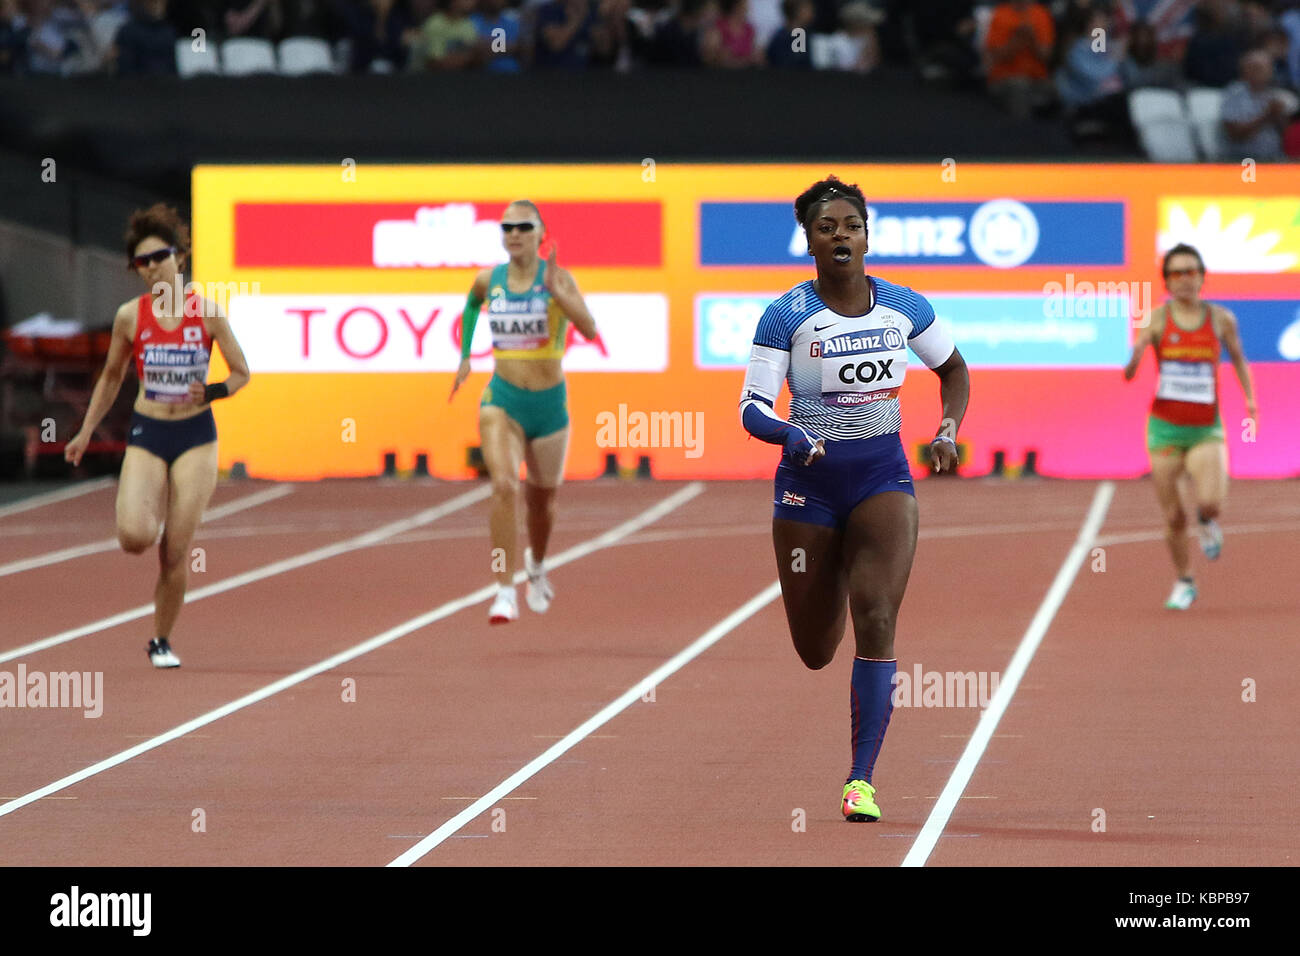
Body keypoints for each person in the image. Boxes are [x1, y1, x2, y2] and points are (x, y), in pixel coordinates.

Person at [738, 176, 969, 822]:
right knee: (815, 650)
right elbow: (751, 409)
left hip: (881, 479)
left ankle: (860, 780)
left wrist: (947, 427)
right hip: (807, 487)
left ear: (868, 235)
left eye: (851, 226)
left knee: (877, 614)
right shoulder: (785, 315)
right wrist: (791, 435)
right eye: (826, 227)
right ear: (808, 240)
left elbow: (953, 369)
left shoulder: (903, 307)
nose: (841, 236)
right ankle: (835, 562)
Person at [63, 204, 251, 667]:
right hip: (149, 432)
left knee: (175, 551)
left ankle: (161, 640)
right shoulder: (130, 317)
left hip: (195, 436)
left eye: (158, 257)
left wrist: (210, 390)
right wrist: (85, 431)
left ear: (179, 257)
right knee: (133, 537)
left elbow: (242, 373)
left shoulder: (207, 313)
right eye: (141, 263)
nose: (150, 268)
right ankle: (151, 509)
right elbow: (110, 377)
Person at [449, 201, 600, 624]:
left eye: (523, 226)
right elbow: (472, 304)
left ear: (540, 234)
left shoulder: (557, 278)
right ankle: (503, 590)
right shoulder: (489, 280)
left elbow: (589, 328)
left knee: (542, 502)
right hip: (503, 400)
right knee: (502, 487)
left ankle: (536, 563)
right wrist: (464, 357)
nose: (514, 233)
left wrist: (557, 292)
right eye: (507, 227)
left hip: (549, 406)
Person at [1122, 243, 1256, 611]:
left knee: (1210, 502)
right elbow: (1130, 370)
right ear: (1167, 281)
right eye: (1176, 273)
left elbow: (1240, 360)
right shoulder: (1157, 319)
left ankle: (1207, 521)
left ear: (1202, 276)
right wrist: (1134, 358)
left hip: (1205, 428)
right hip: (1165, 429)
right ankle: (1185, 581)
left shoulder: (1221, 319)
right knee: (1172, 515)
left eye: (1191, 271)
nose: (1184, 279)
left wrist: (1251, 401)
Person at [983, 0, 1056, 119]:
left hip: (1036, 78)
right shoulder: (1001, 14)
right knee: (1020, 86)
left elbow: (1046, 57)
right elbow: (995, 57)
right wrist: (1016, 40)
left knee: (1056, 90)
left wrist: (1032, 39)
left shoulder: (1041, 14)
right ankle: (1020, 129)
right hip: (1004, 78)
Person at [1220, 47, 1292, 161]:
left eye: (1268, 68)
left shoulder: (1274, 94)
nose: (1265, 73)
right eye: (1258, 68)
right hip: (1242, 160)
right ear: (1245, 70)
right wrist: (1267, 114)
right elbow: (1235, 134)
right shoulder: (1234, 93)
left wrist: (1279, 116)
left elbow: (1286, 134)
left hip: (1274, 159)